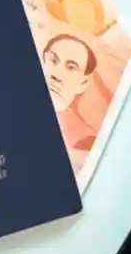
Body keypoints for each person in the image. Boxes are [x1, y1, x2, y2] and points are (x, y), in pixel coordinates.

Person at [41, 33, 98, 171]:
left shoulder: (85, 146)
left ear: (83, 84)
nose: (56, 75)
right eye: (53, 60)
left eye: (71, 67)